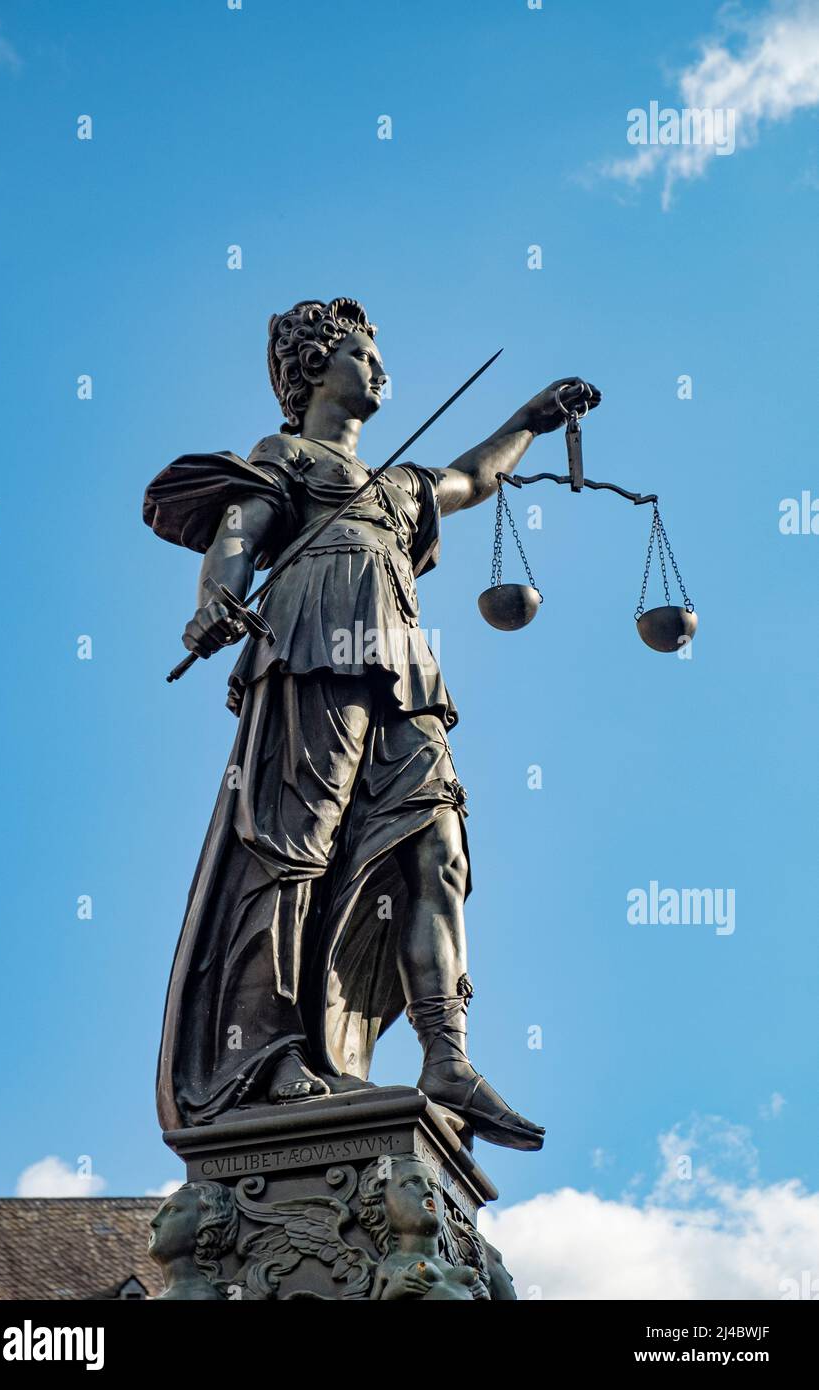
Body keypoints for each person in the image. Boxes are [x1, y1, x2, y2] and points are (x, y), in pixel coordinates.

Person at [144, 296, 599, 1148]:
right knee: (292, 854)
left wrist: (530, 420)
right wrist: (215, 601)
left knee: (437, 846)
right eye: (361, 354)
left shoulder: (396, 487)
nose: (381, 369)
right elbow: (239, 530)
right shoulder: (289, 456)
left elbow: (472, 478)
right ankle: (269, 1053)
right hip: (313, 647)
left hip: (403, 671)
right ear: (314, 369)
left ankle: (446, 1055)